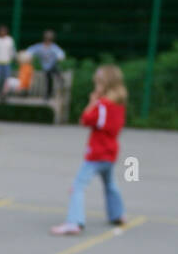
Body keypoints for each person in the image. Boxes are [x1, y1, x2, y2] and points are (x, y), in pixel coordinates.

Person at [51, 64, 127, 235]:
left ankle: (74, 222)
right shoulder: (119, 105)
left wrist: (92, 103)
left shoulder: (102, 105)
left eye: (98, 84)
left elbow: (84, 120)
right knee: (110, 185)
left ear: (104, 85)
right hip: (111, 152)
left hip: (97, 153)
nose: (96, 87)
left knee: (77, 187)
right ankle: (118, 214)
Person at [25, 28, 65, 101]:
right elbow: (30, 50)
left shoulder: (54, 47)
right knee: (49, 74)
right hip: (46, 68)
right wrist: (28, 55)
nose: (48, 40)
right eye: (47, 38)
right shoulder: (40, 47)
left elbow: (60, 53)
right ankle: (50, 92)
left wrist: (60, 57)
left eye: (50, 39)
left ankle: (57, 86)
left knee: (52, 70)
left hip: (52, 67)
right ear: (44, 39)